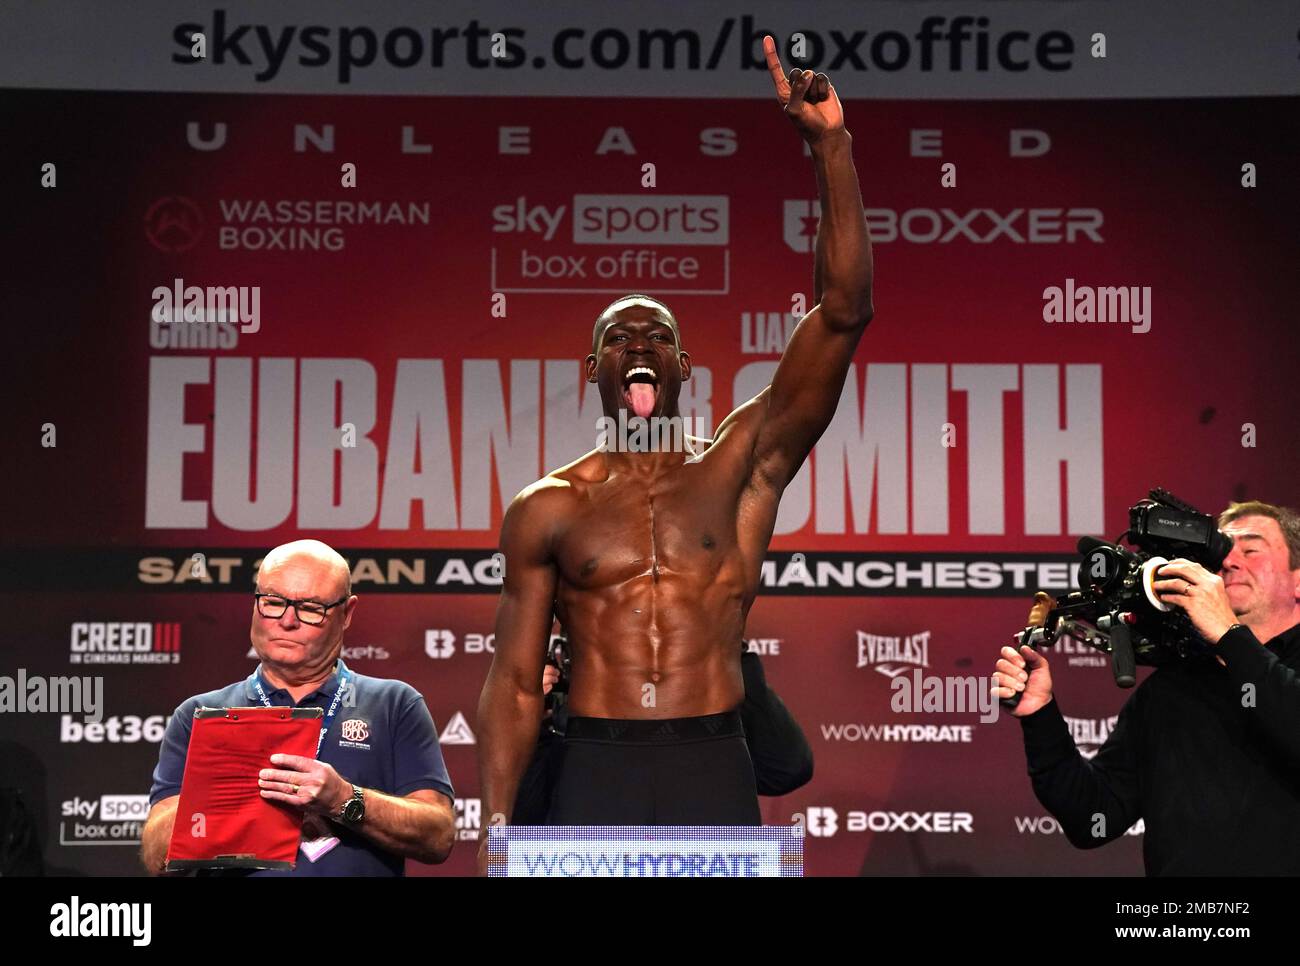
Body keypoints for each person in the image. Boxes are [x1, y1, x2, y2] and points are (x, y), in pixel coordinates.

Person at [477, 33, 871, 864]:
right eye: (619, 339)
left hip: (711, 758)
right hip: (592, 762)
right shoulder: (547, 506)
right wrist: (498, 831)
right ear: (593, 369)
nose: (639, 345)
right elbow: (514, 685)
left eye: (657, 335)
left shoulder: (741, 467)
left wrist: (828, 145)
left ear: (685, 366)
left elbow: (841, 311)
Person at [992, 501, 1300, 875]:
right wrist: (1040, 716)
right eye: (1221, 550)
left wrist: (1228, 636)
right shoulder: (1172, 688)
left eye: (1251, 550)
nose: (1229, 562)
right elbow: (1093, 818)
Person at [140, 539, 456, 875]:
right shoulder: (201, 714)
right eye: (273, 602)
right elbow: (156, 857)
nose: (287, 620)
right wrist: (222, 789)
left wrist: (344, 800)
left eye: (309, 607)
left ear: (346, 614)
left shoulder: (394, 704)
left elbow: (438, 835)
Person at [509, 638, 814, 824]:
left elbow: (787, 768)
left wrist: (729, 653)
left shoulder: (708, 692)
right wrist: (534, 723)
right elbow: (526, 816)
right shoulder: (570, 689)